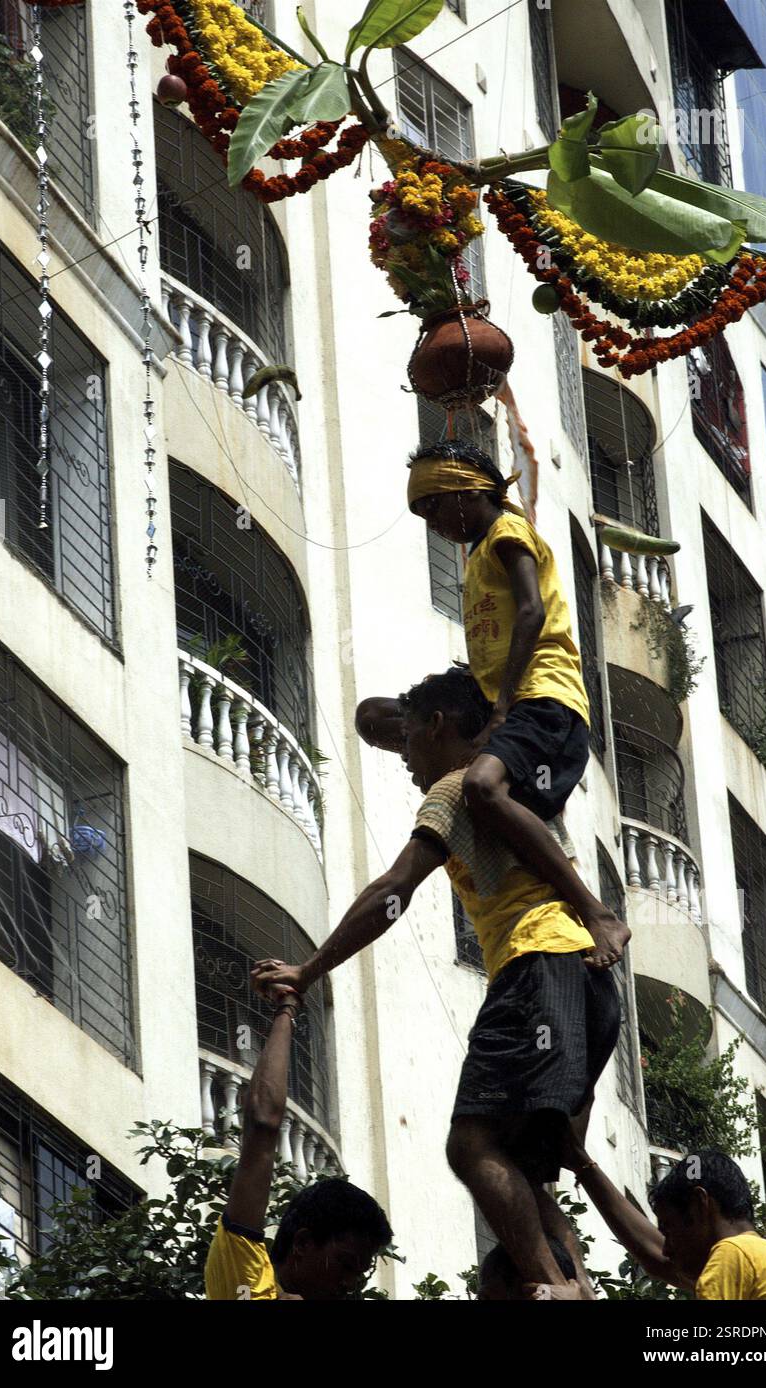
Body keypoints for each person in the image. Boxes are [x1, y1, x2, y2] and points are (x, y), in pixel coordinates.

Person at [253, 668, 620, 1298]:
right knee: (528, 1165)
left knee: (471, 1145)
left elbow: (393, 892)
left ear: (441, 727)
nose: (404, 760)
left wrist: (308, 971)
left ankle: (560, 1288)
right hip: (588, 984)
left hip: (539, 966)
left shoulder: (457, 788)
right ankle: (574, 1284)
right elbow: (374, 714)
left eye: (409, 743)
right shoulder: (507, 780)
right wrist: (411, 714)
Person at [356, 438, 628, 969]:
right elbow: (377, 717)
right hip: (520, 705)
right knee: (479, 792)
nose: (431, 521)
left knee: (481, 786)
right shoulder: (478, 555)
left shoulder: (507, 530)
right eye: (421, 513)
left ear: (467, 490)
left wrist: (501, 711)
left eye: (433, 505)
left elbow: (530, 613)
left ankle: (597, 914)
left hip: (544, 698)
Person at [205, 986, 392, 1300]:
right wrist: (287, 1009)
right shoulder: (246, 1282)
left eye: (358, 1276)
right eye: (346, 1265)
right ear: (303, 1244)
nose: (349, 1285)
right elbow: (263, 1125)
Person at [563, 1139, 766, 1300]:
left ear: (700, 1205)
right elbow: (660, 1260)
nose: (667, 1247)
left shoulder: (730, 1254)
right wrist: (583, 1165)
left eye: (668, 1230)